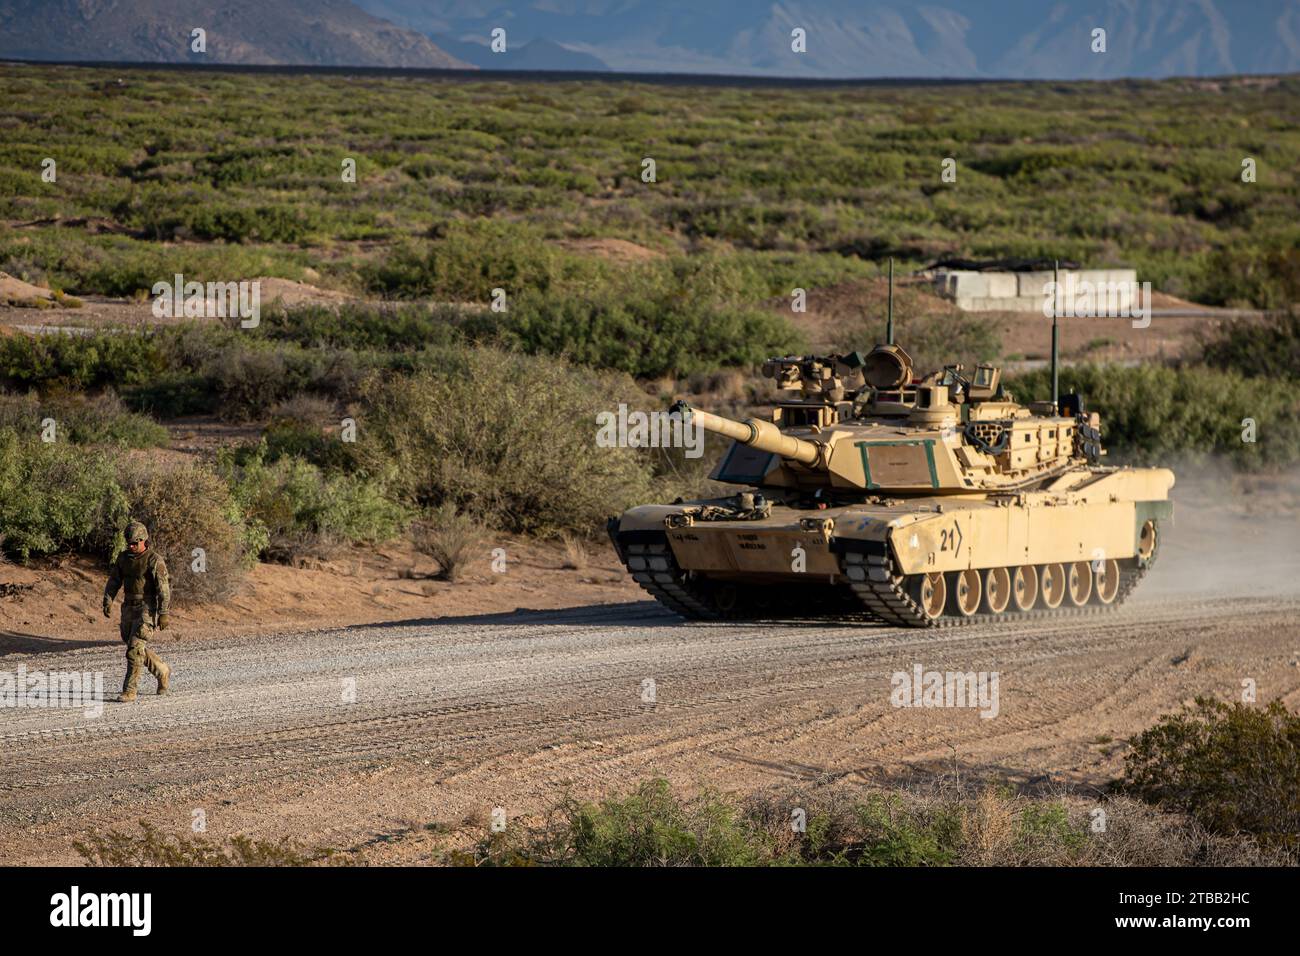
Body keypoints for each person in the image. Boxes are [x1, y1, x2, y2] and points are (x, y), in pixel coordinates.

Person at [103, 521, 171, 702]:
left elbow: (164, 589)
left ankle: (129, 691)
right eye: (129, 543)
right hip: (127, 608)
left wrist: (164, 613)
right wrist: (108, 600)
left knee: (134, 650)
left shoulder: (154, 560)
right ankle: (162, 670)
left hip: (146, 609)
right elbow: (114, 580)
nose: (131, 546)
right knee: (135, 647)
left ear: (144, 541)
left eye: (135, 543)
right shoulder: (123, 558)